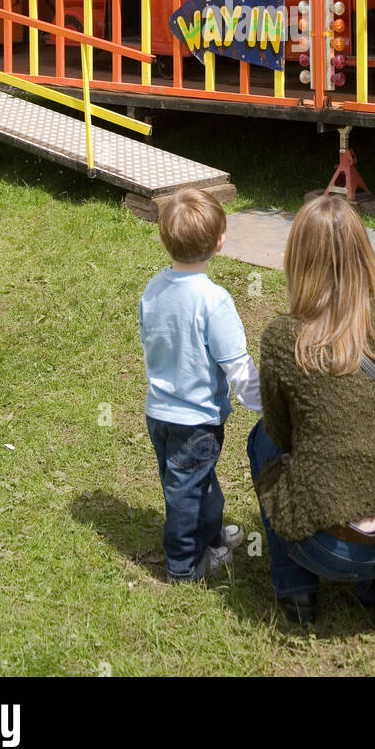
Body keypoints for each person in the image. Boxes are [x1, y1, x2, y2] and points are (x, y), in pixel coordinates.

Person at [248, 194, 375, 628]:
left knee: (260, 439)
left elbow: (282, 437)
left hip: (328, 546)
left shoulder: (284, 337)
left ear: (297, 257)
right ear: (364, 250)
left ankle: (297, 594)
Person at [140, 187, 262, 583]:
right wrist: (269, 405)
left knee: (194, 479)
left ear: (164, 240)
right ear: (220, 242)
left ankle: (209, 536)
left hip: (159, 411)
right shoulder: (214, 301)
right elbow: (237, 368)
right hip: (196, 420)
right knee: (185, 493)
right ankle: (184, 566)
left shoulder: (153, 289)